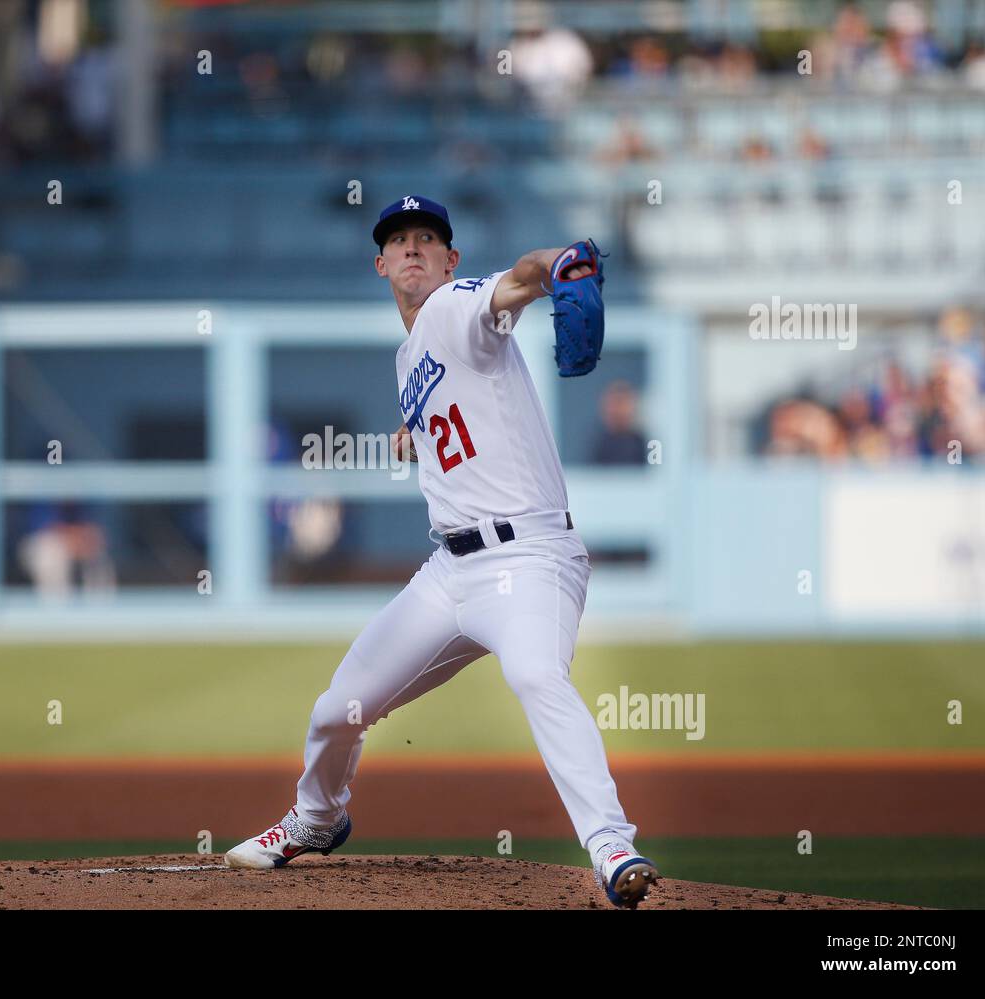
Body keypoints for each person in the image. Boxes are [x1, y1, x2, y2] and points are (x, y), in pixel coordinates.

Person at [224, 196, 659, 909]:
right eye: (400, 241)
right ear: (382, 264)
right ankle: (316, 818)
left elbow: (519, 276)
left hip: (530, 557)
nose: (415, 248)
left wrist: (563, 264)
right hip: (451, 570)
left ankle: (611, 842)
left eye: (429, 238)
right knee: (339, 707)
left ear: (450, 260)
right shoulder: (411, 354)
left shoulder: (457, 304)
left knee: (535, 675)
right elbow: (448, 401)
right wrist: (412, 427)